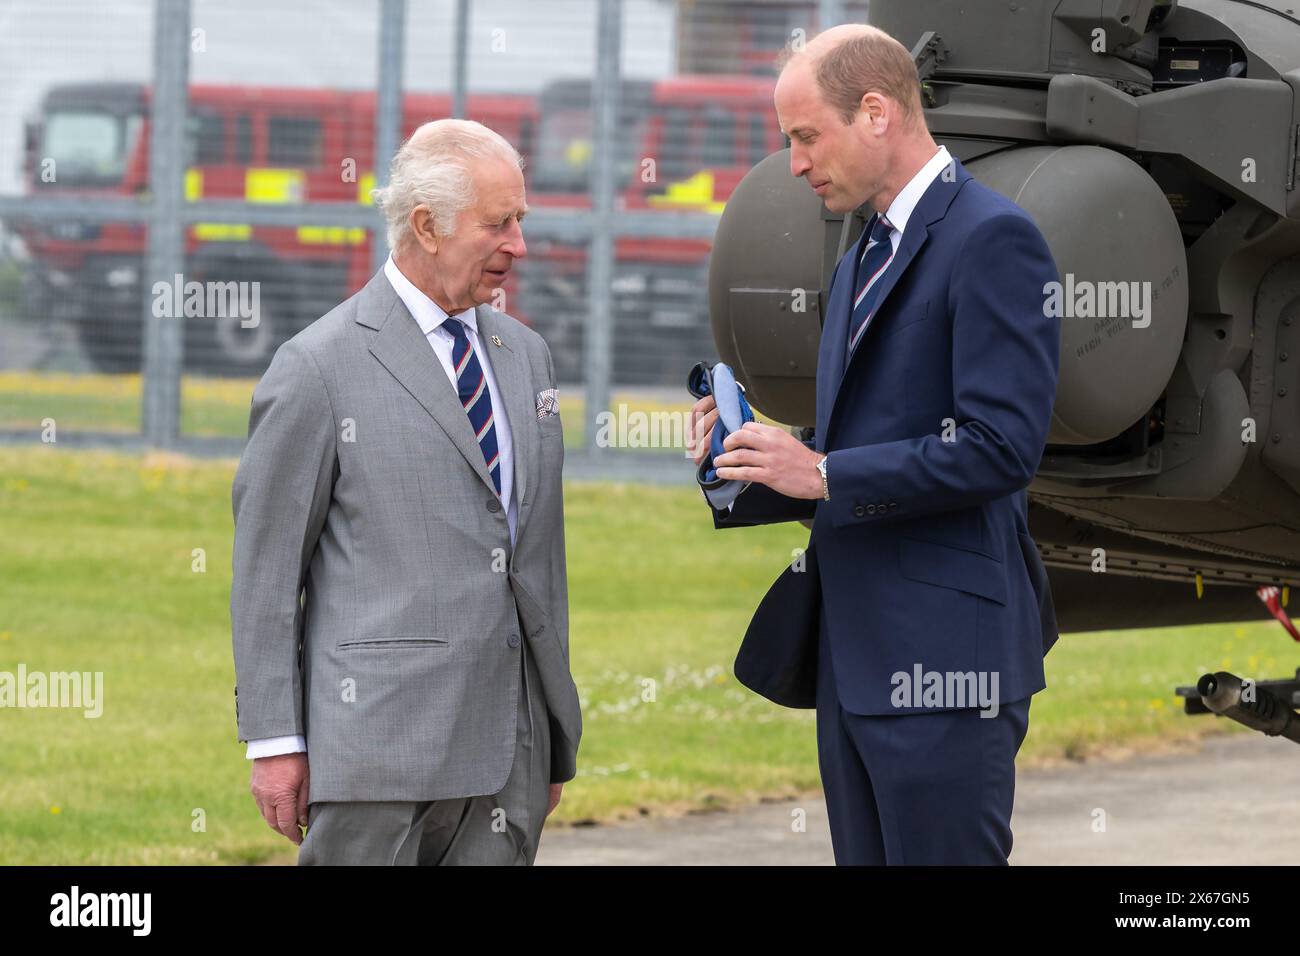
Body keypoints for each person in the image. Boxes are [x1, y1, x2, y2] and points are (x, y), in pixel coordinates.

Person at [689, 24, 1061, 865]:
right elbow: (857, 447)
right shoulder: (862, 255)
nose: (794, 162)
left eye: (805, 136)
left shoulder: (995, 240)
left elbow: (1001, 447)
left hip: (946, 664)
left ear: (876, 112)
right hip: (855, 662)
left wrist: (821, 470)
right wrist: (745, 462)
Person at [230, 119, 581, 865]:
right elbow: (266, 575)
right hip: (376, 757)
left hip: (508, 755)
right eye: (498, 223)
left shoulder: (526, 356)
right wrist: (275, 741)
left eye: (520, 220)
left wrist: (550, 732)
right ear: (426, 226)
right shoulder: (316, 368)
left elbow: (538, 555)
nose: (518, 245)